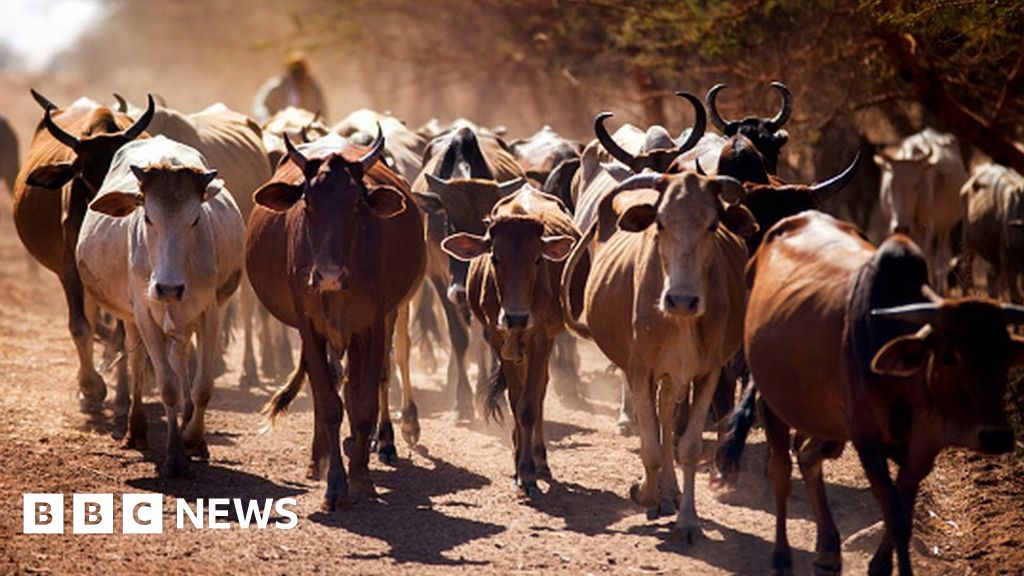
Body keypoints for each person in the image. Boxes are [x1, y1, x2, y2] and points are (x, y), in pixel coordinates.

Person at [252, 52, 328, 123]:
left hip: (307, 126)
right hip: (279, 126)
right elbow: (259, 105)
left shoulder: (313, 87)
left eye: (300, 70)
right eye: (295, 70)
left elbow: (322, 110)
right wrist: (267, 120)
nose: (298, 74)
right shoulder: (277, 84)